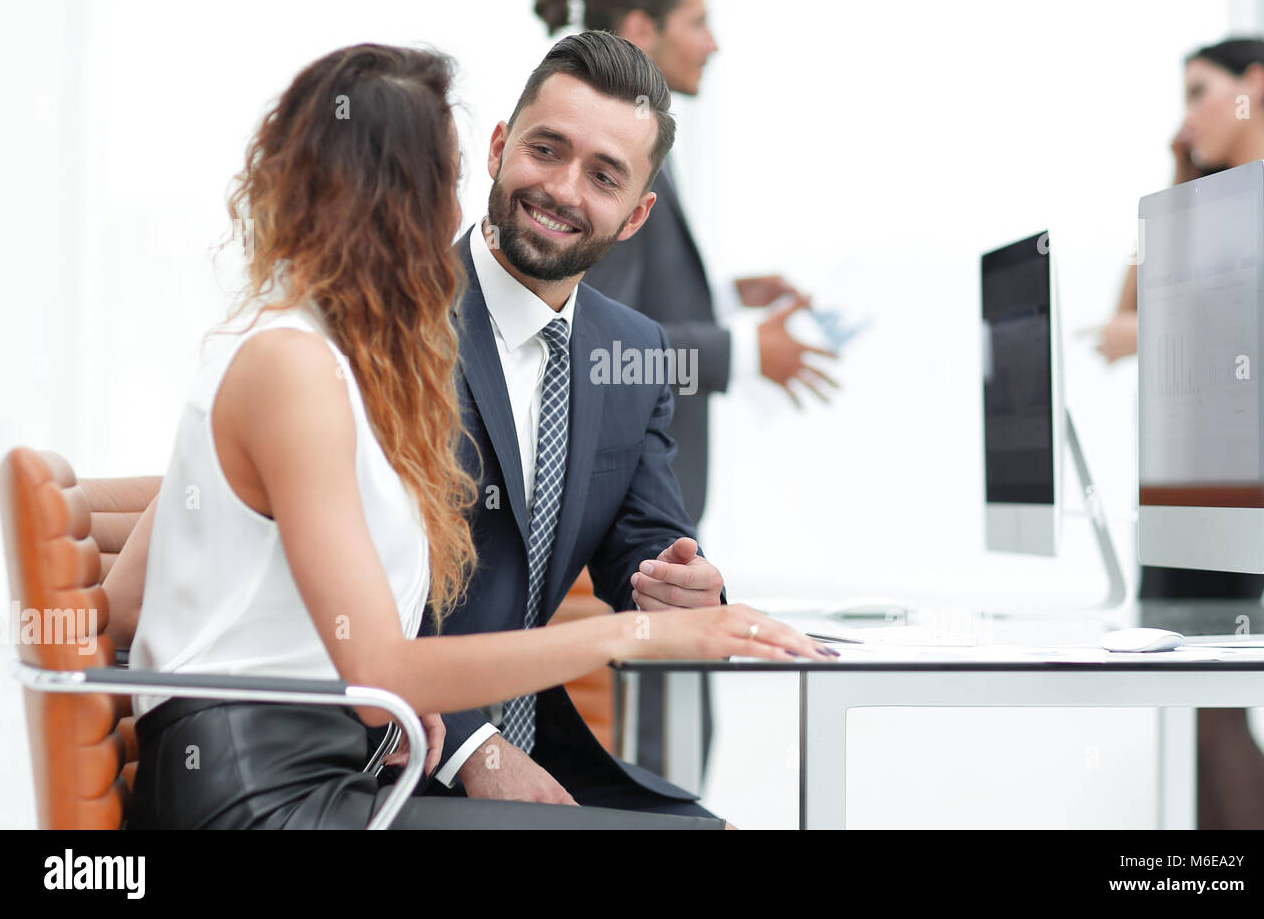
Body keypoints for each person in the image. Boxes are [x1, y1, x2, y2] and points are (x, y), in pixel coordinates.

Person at [111, 41, 829, 830]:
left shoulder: (347, 353)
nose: (462, 208)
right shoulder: (336, 358)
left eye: (602, 173)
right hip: (296, 776)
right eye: (445, 179)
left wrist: (676, 595)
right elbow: (372, 653)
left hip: (365, 750)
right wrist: (443, 719)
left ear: (636, 214)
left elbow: (132, 601)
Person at [533, 0, 839, 777]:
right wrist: (744, 349)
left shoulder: (636, 151)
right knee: (663, 767)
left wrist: (729, 294)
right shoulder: (604, 163)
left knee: (676, 750)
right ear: (641, 28)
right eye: (697, 21)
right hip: (623, 562)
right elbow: (605, 350)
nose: (713, 43)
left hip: (652, 548)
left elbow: (628, 309)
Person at [1097, 36, 1264, 829]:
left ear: (1254, 83)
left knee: (1213, 708)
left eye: (1198, 91)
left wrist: (1142, 331)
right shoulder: (1222, 201)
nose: (1187, 117)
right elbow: (1134, 297)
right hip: (1185, 477)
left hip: (1234, 478)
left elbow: (1257, 338)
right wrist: (1181, 182)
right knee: (1192, 703)